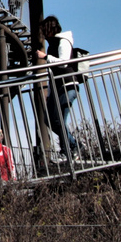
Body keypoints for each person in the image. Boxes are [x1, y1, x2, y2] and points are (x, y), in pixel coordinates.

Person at [35, 15, 84, 160]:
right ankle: (74, 145)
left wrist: (46, 57)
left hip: (67, 85)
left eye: (44, 31)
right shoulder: (52, 45)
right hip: (57, 87)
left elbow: (63, 62)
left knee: (59, 119)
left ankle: (68, 150)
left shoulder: (63, 41)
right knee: (49, 120)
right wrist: (49, 94)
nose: (43, 35)